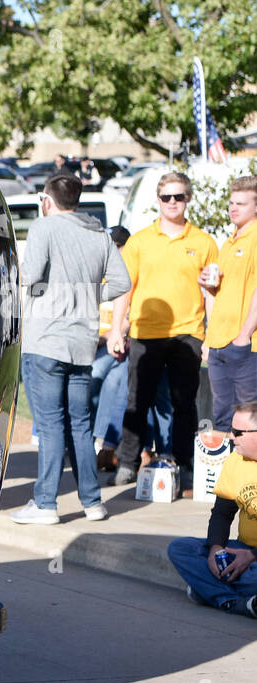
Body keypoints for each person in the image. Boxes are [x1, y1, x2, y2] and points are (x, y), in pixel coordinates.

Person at [12, 172, 130, 525]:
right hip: (82, 342)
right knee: (80, 424)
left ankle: (46, 503)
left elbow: (29, 278)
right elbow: (122, 283)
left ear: (47, 200)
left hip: (46, 339)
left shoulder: (44, 228)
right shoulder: (99, 234)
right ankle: (92, 502)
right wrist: (86, 293)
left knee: (50, 425)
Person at [107, 172, 220, 487]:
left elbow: (211, 293)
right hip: (146, 333)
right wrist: (117, 329)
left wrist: (210, 337)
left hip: (188, 333)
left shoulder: (204, 242)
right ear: (158, 200)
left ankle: (184, 466)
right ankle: (128, 464)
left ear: (189, 199)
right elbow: (124, 290)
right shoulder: (139, 242)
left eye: (179, 196)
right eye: (167, 197)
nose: (173, 203)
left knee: (185, 404)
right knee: (137, 402)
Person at [91, 225, 172, 471]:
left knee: (120, 384)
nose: (112, 252)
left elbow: (130, 313)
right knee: (101, 381)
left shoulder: (134, 270)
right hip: (108, 343)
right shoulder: (106, 272)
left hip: (130, 343)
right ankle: (106, 446)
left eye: (116, 247)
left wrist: (114, 335)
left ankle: (119, 447)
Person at [167, 400, 257, 617]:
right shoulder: (236, 460)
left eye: (237, 432)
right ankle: (234, 601)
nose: (231, 437)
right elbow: (222, 514)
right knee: (181, 549)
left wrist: (253, 556)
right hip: (241, 550)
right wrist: (216, 548)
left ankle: (208, 589)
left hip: (252, 557)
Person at [200, 176, 257, 435]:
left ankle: (248, 476)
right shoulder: (229, 241)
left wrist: (245, 334)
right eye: (231, 202)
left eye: (241, 203)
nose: (233, 208)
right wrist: (207, 286)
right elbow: (217, 292)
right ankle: (227, 475)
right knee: (223, 420)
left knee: (247, 420)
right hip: (219, 343)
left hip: (245, 344)